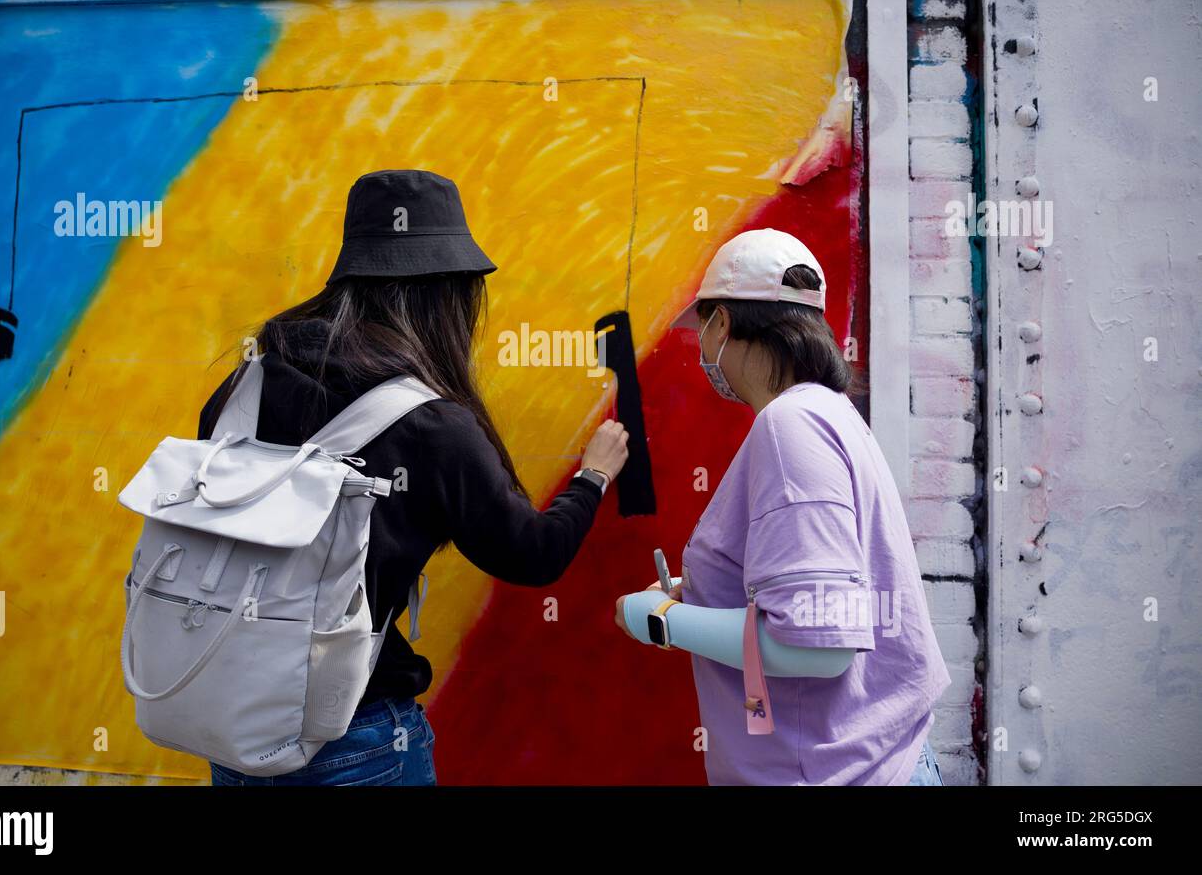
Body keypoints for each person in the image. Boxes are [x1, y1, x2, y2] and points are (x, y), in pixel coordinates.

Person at [200, 169, 629, 785]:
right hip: (353, 740)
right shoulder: (431, 425)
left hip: (232, 728)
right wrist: (592, 475)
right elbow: (532, 554)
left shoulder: (246, 385)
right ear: (446, 295)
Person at [613, 228, 952, 785]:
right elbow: (812, 595)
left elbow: (818, 648)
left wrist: (664, 621)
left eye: (701, 330)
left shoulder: (788, 426)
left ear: (722, 323)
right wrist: (698, 592)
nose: (700, 351)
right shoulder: (829, 414)